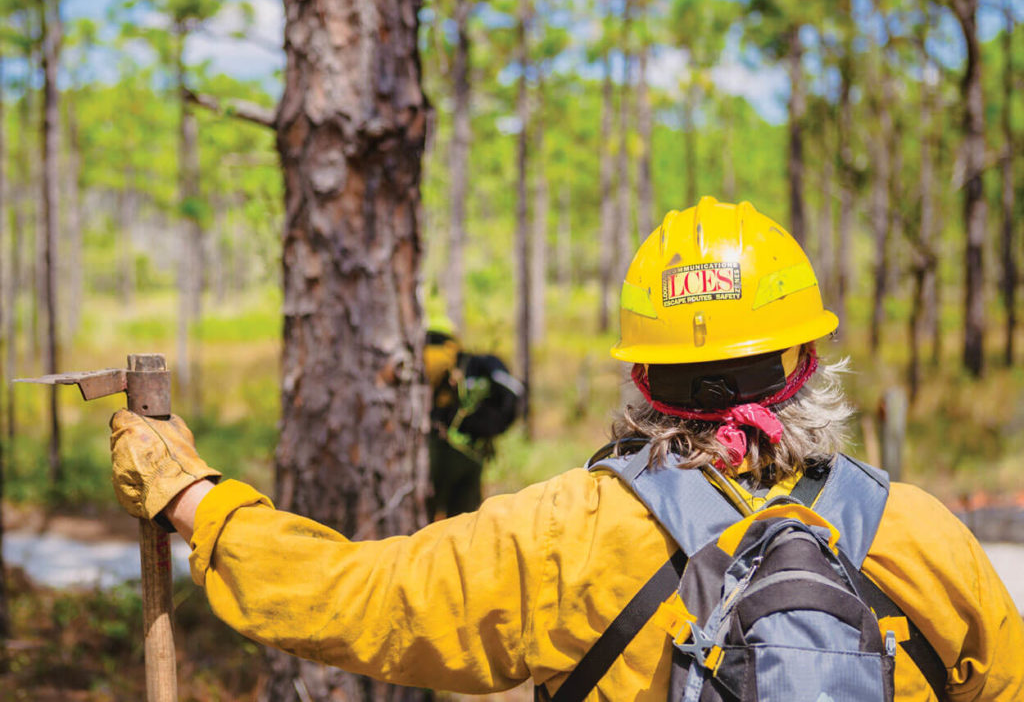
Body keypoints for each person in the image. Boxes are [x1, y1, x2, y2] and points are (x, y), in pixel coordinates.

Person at [109, 197, 1024, 700]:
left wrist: (194, 495)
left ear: (644, 376)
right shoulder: (922, 536)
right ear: (806, 358)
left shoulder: (569, 531)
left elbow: (355, 599)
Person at [424, 318, 523, 519]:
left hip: (432, 451)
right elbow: (513, 397)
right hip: (470, 453)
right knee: (463, 522)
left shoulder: (419, 359)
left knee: (425, 520)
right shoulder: (473, 364)